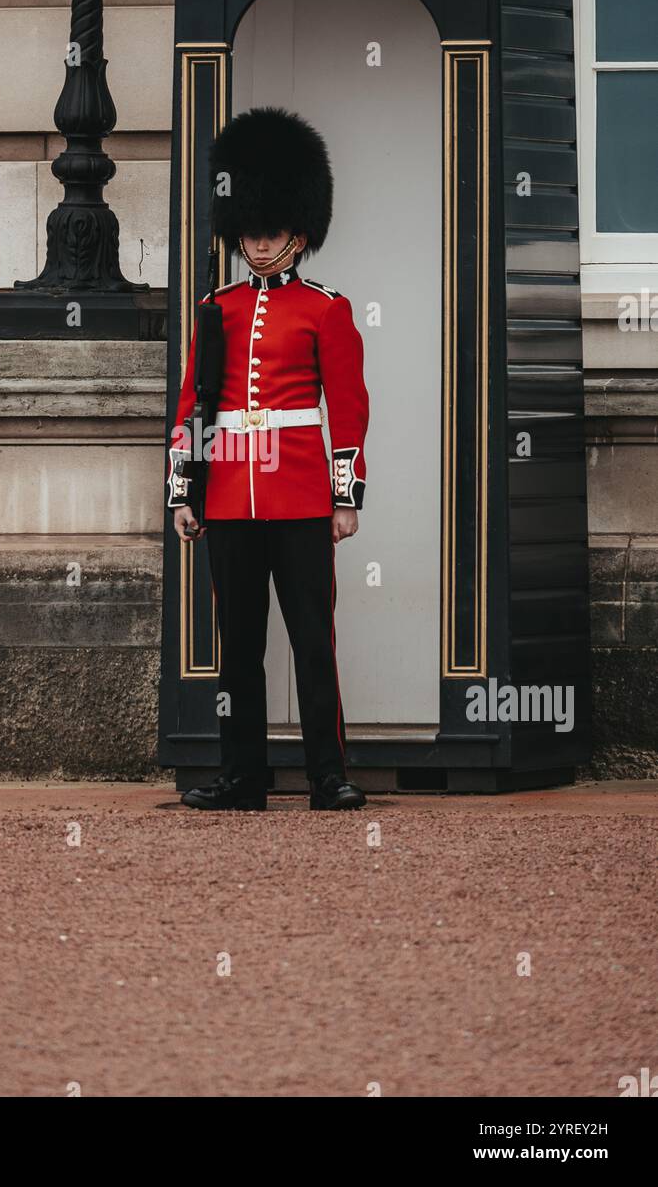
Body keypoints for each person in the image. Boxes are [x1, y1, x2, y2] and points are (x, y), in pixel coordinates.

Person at [166, 105, 370, 811]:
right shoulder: (215, 309)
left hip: (302, 498)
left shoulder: (326, 310)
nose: (256, 245)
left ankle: (327, 775)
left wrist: (345, 496)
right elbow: (195, 406)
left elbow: (347, 409)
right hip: (228, 498)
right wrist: (183, 492)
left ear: (299, 233)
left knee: (314, 642)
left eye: (270, 233)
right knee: (238, 651)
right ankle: (242, 775)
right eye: (248, 233)